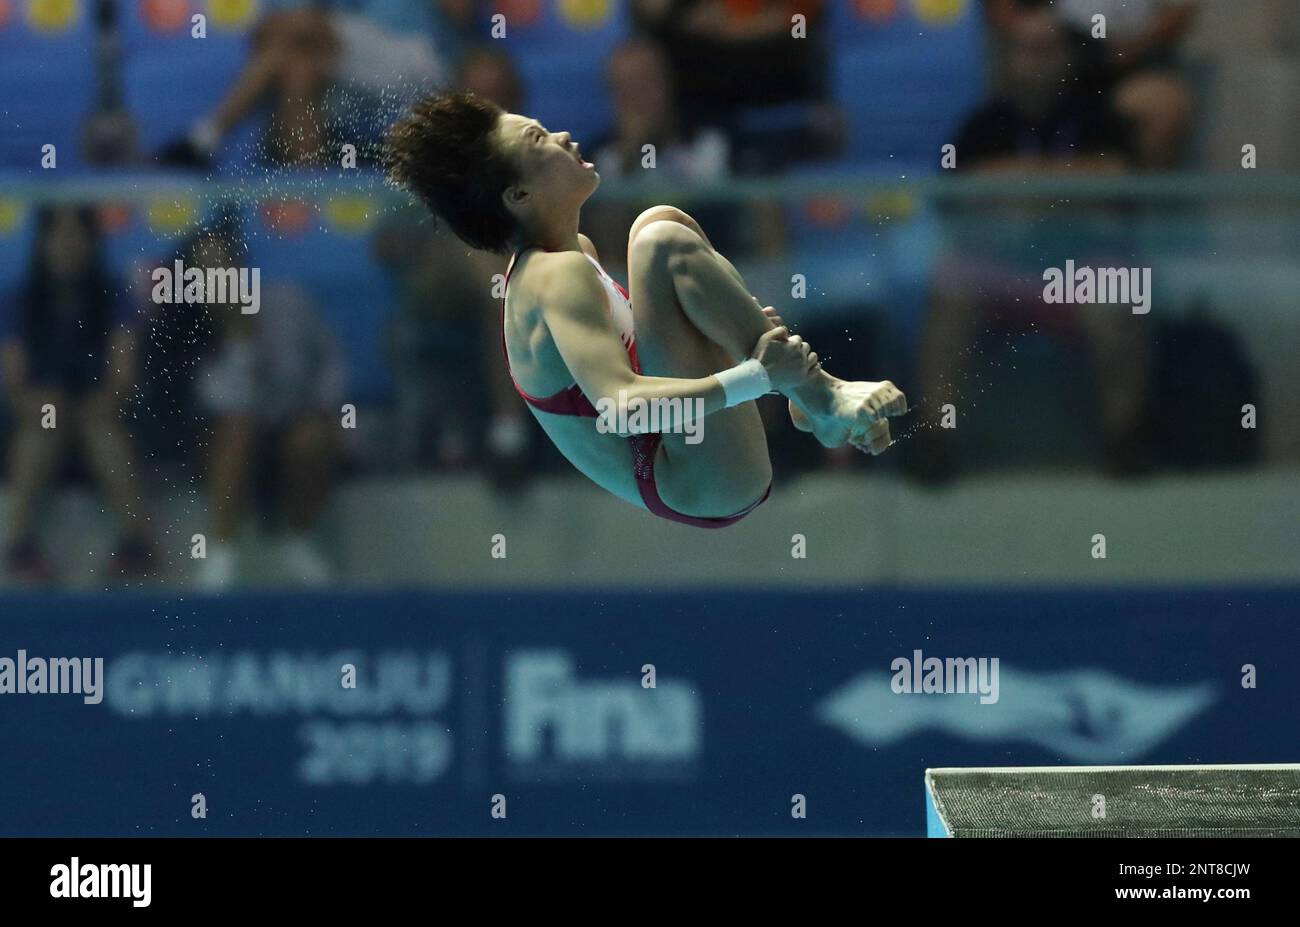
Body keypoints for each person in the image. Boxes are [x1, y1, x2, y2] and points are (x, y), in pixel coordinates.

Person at [385, 92, 906, 528]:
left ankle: (815, 400)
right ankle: (821, 398)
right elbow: (622, 408)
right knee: (657, 242)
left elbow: (655, 353)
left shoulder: (575, 253)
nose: (563, 136)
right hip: (688, 477)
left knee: (659, 226)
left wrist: (734, 339)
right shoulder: (552, 278)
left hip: (686, 453)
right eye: (539, 140)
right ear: (519, 194)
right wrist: (759, 376)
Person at [0, 205, 154, 581]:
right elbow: (15, 383)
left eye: (77, 234)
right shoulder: (20, 300)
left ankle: (137, 542)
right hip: (43, 417)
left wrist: (102, 402)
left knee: (101, 429)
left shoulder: (113, 296)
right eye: (58, 234)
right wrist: (43, 405)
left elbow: (122, 374)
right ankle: (20, 543)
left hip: (96, 413)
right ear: (42, 243)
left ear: (92, 241)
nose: (68, 244)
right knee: (45, 423)